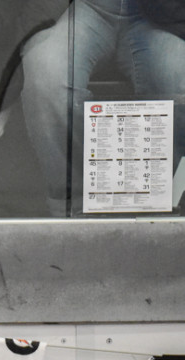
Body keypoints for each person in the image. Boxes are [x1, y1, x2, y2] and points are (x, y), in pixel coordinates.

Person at [20, 0, 185, 216]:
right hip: (83, 7)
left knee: (178, 77)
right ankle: (74, 207)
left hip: (162, 13)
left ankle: (168, 202)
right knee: (47, 75)